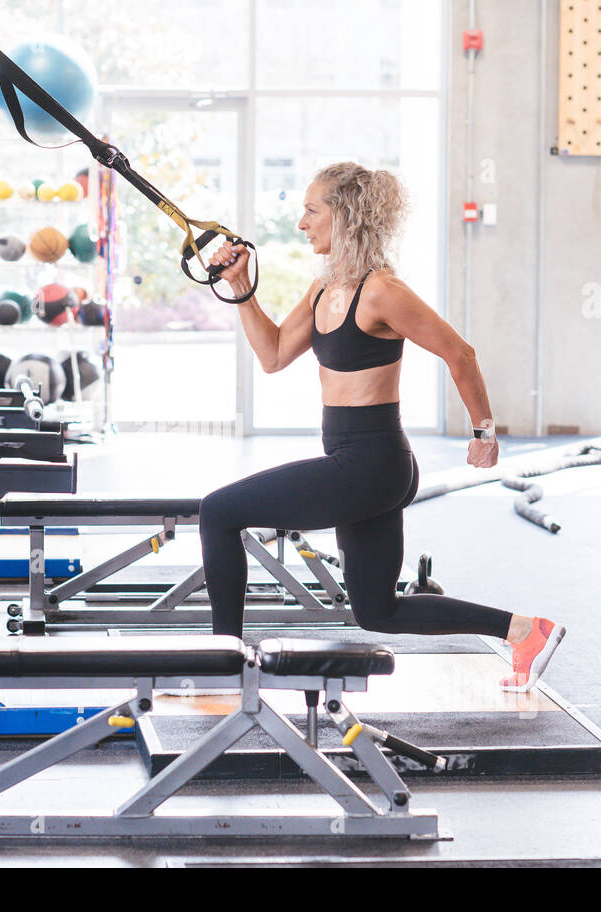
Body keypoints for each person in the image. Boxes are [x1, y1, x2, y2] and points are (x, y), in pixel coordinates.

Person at [200, 161, 563, 692]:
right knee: (377, 611)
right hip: (361, 468)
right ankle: (524, 631)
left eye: (311, 210)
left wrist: (484, 433)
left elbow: (459, 353)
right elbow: (274, 355)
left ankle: (222, 664)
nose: (301, 224)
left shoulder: (382, 291)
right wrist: (241, 289)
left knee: (219, 511)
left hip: (370, 465)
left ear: (344, 217)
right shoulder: (323, 290)